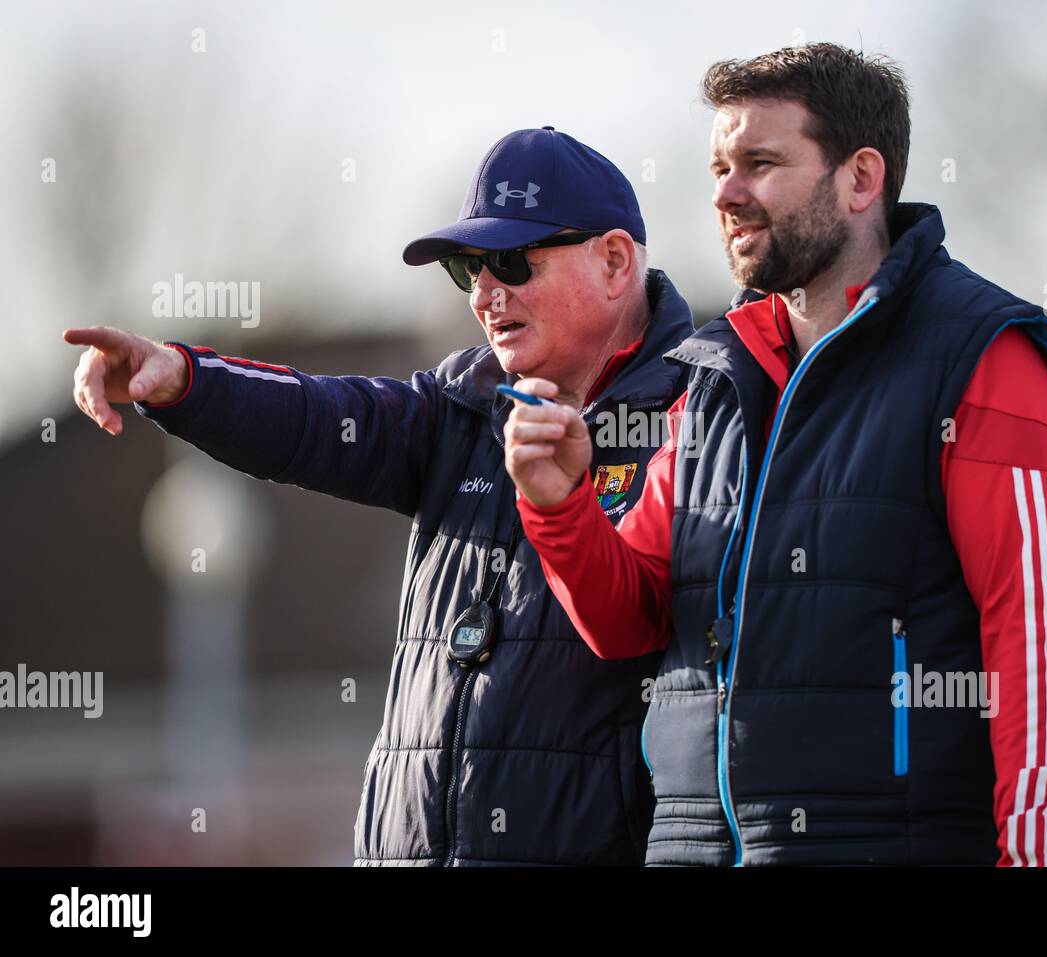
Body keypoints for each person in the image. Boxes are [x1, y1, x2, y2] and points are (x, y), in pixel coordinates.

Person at [503, 44, 1047, 865]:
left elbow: (1038, 645)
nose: (724, 193)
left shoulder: (987, 355)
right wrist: (559, 505)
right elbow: (628, 620)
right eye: (718, 166)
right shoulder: (712, 377)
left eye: (760, 163)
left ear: (860, 179)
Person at [64, 127, 695, 866]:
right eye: (468, 269)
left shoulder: (703, 416)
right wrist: (180, 379)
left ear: (615, 261)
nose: (486, 292)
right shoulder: (459, 409)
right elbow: (317, 417)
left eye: (511, 261)